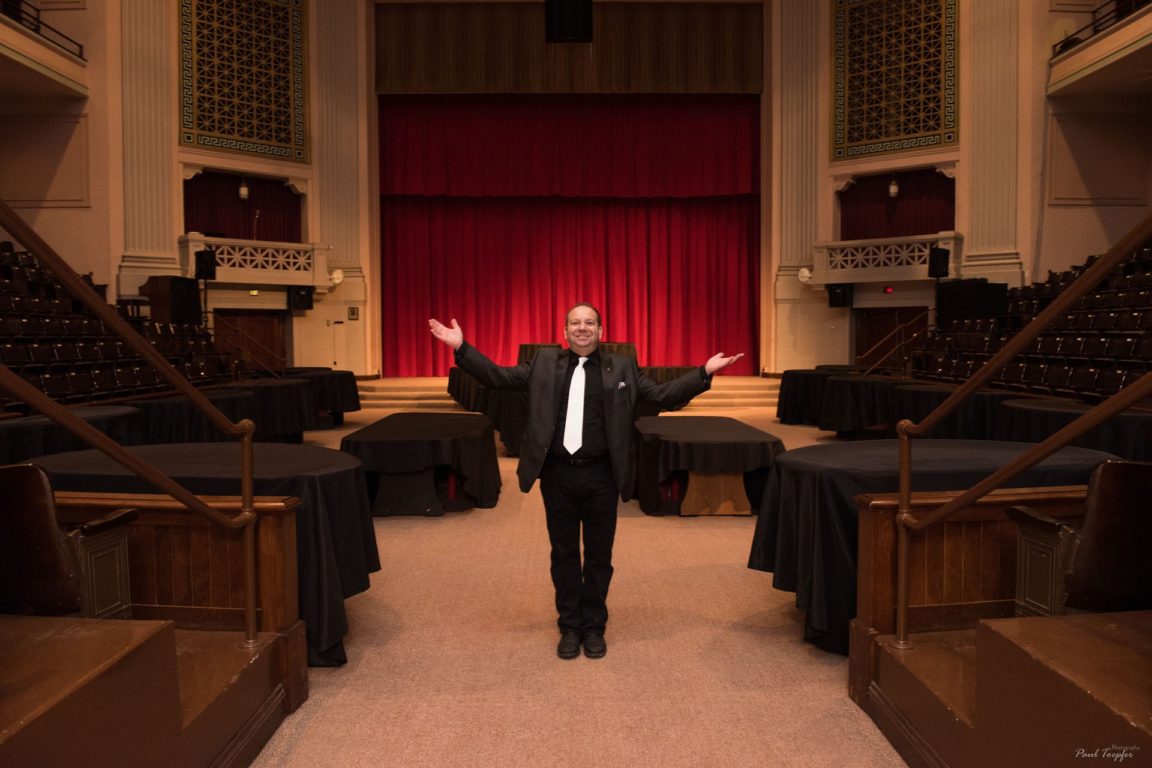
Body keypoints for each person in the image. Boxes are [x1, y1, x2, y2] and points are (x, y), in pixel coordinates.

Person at [429, 303, 743, 660]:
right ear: (564, 332)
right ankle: (569, 625)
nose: (582, 328)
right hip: (557, 474)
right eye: (575, 323)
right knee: (563, 552)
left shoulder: (622, 367)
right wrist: (461, 348)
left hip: (602, 475)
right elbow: (497, 378)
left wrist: (703, 372)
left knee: (598, 554)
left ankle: (593, 626)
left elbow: (661, 396)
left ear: (601, 331)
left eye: (589, 323)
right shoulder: (543, 363)